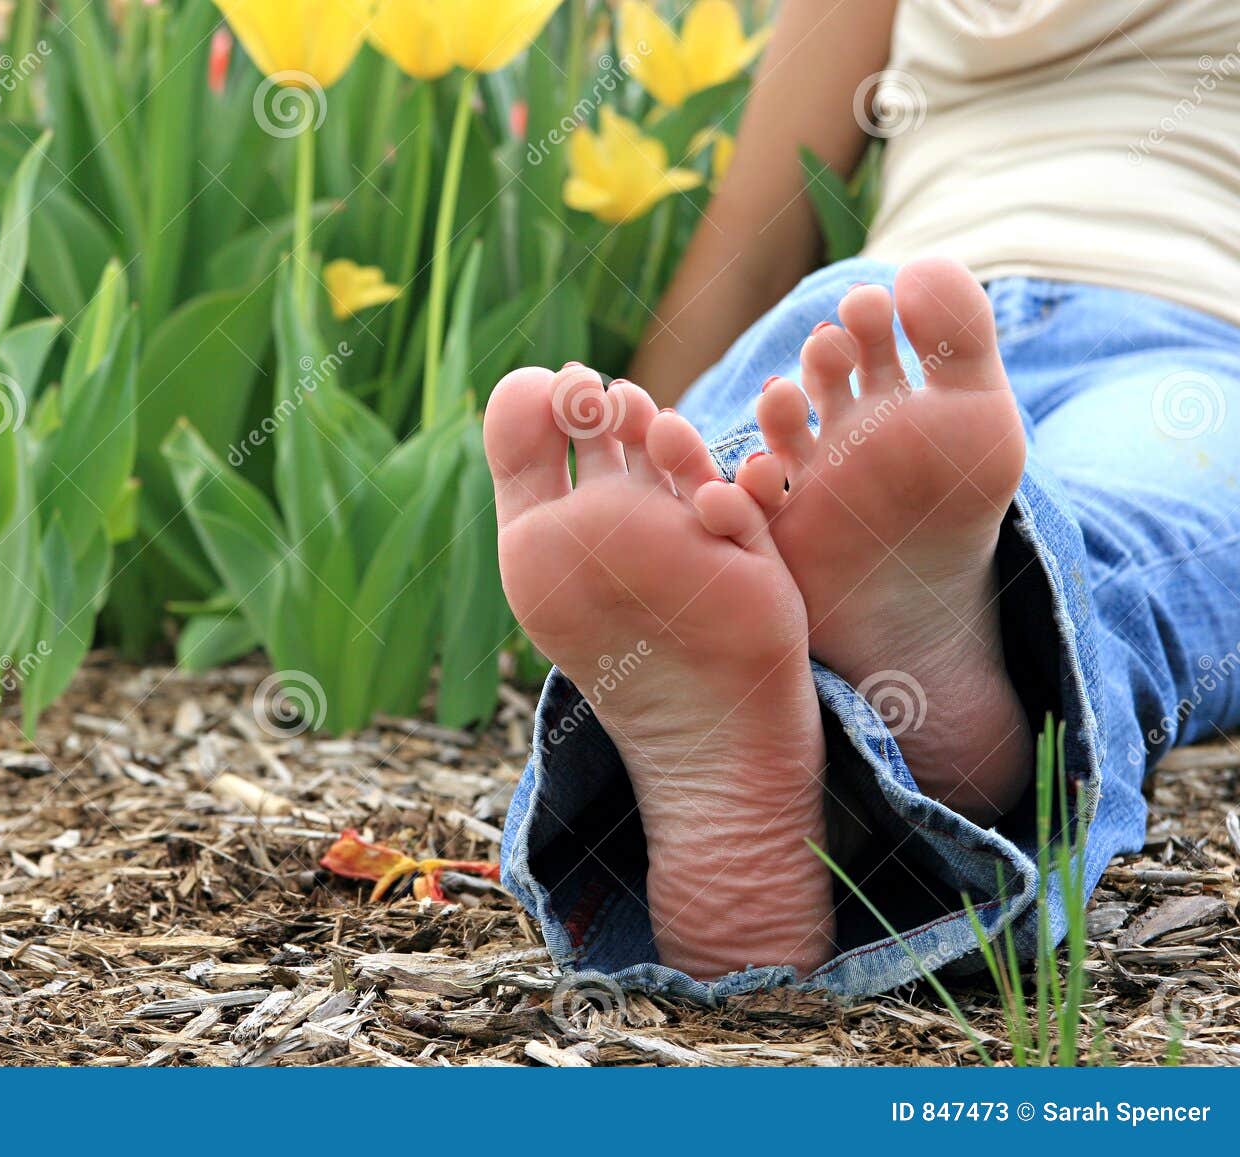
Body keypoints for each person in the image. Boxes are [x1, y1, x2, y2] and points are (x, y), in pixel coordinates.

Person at [489, 0, 1240, 1000]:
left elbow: (747, 236)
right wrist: (646, 470)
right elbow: (753, 236)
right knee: (746, 497)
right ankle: (953, 716)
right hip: (887, 349)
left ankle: (891, 712)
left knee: (1098, 535)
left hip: (1186, 333)